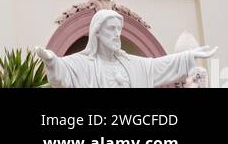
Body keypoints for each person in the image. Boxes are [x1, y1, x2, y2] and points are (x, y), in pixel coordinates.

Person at [37, 9, 215, 88]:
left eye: (119, 29)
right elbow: (62, 75)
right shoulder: (83, 64)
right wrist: (51, 61)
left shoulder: (131, 64)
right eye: (112, 29)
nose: (117, 34)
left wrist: (188, 55)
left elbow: (158, 66)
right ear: (97, 32)